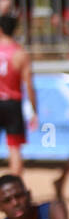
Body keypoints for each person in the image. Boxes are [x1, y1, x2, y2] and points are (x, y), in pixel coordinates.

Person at [0, 14, 38, 175]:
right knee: (15, 148)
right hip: (13, 103)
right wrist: (34, 110)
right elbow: (29, 85)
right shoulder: (20, 54)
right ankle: (17, 188)